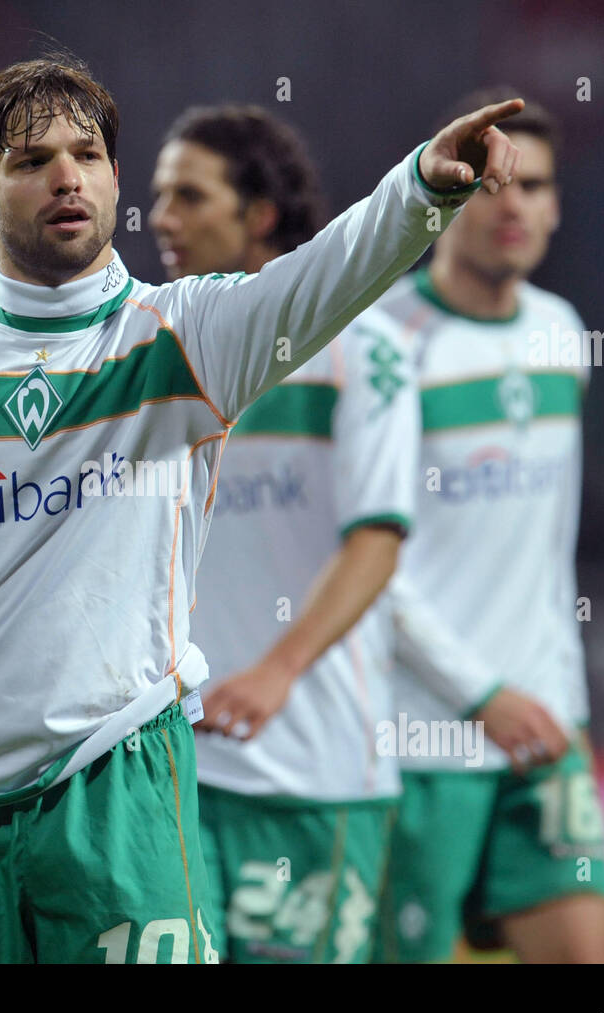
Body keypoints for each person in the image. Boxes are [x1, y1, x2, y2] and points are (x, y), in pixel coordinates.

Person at [0, 55, 523, 964]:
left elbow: (323, 277)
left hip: (120, 790)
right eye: (32, 161)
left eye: (88, 154)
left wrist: (419, 189)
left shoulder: (181, 336)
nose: (68, 175)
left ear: (111, 178)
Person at [149, 105, 416, 963]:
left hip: (309, 766)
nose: (160, 217)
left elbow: (378, 539)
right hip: (170, 766)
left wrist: (277, 669)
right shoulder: (155, 352)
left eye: (189, 196)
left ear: (260, 215)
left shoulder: (363, 349)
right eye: (157, 195)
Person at [368, 89, 604, 964]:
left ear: (554, 205)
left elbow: (546, 559)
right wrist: (481, 695)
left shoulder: (564, 335)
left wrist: (564, 699)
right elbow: (362, 564)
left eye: (534, 185)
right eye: (489, 182)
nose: (513, 204)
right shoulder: (381, 341)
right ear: (448, 192)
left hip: (545, 730)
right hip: (419, 737)